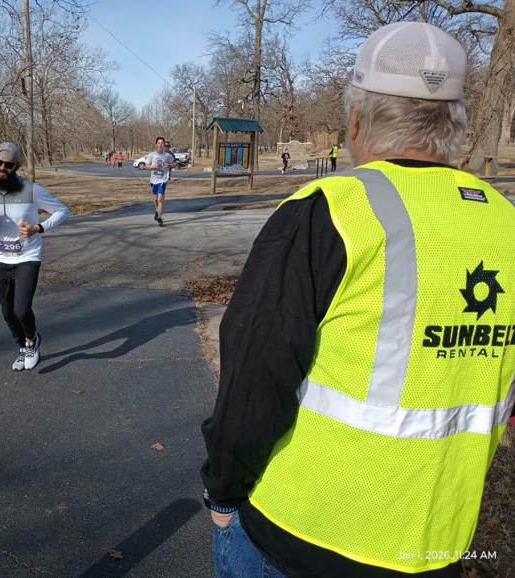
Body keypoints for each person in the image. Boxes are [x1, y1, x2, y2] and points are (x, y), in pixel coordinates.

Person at [201, 21, 515, 578]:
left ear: (355, 120)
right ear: (457, 123)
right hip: (434, 544)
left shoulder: (329, 211)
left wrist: (222, 492)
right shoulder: (506, 223)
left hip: (298, 539)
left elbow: (254, 369)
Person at [0, 143, 70, 371]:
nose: (2, 168)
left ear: (16, 166)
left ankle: (32, 339)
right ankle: (23, 346)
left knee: (21, 310)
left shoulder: (31, 189)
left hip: (27, 256)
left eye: (8, 165)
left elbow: (63, 210)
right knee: (7, 312)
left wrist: (39, 227)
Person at [144, 137, 175, 227]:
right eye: (159, 143)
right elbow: (146, 166)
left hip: (163, 180)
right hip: (153, 180)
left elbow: (175, 164)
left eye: (162, 143)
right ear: (156, 144)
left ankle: (159, 217)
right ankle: (157, 211)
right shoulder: (151, 155)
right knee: (155, 199)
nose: (161, 144)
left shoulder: (167, 156)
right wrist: (153, 167)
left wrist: (169, 165)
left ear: (164, 145)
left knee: (160, 198)